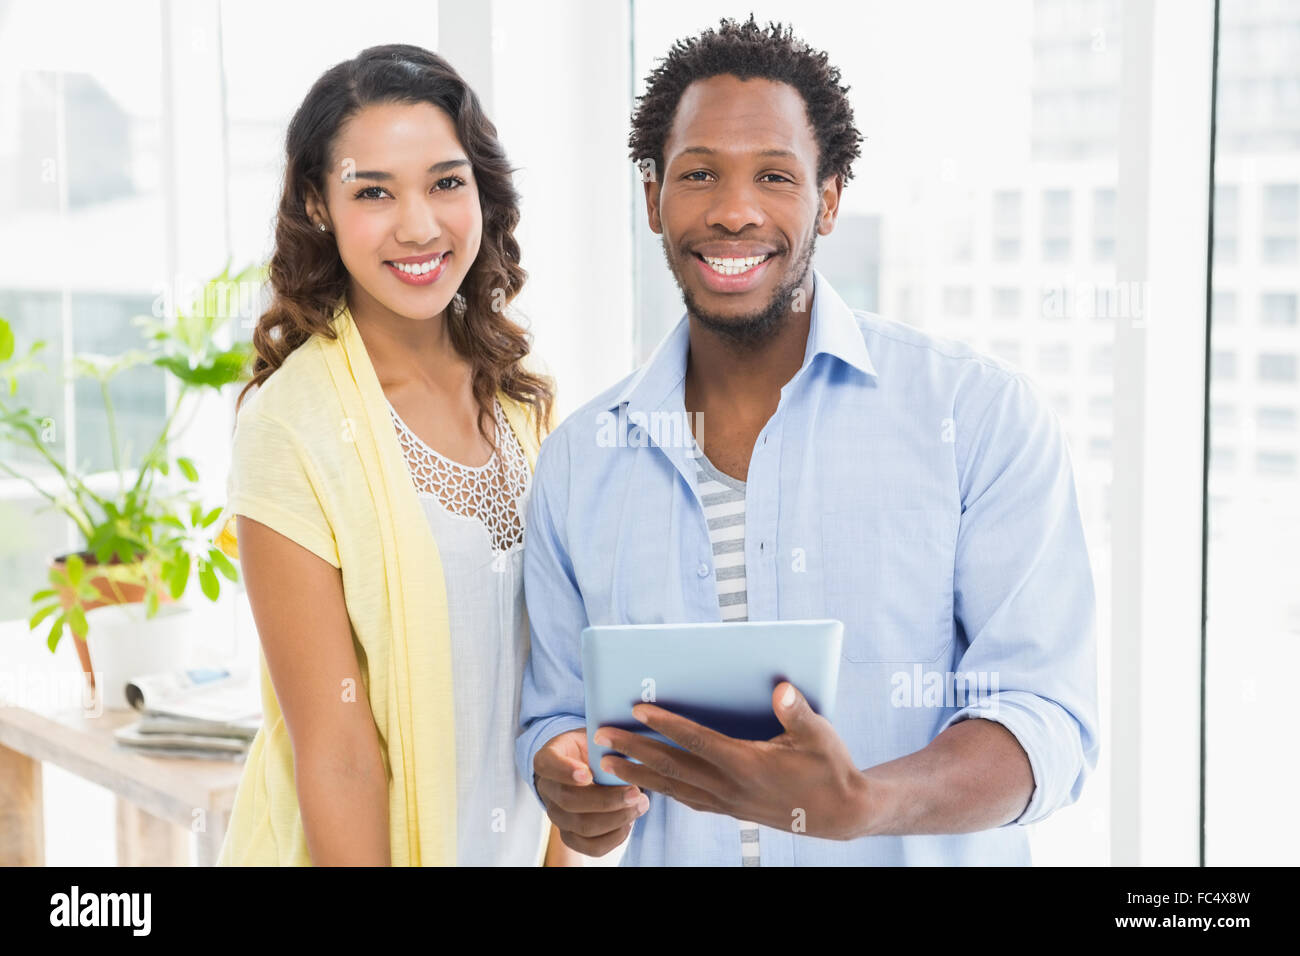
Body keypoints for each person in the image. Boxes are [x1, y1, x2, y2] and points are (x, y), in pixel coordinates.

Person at [516, 17, 1099, 866]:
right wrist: (567, 781)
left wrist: (865, 804)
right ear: (653, 199)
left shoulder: (977, 417)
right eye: (700, 174)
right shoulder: (577, 463)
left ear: (828, 198)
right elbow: (559, 716)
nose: (734, 210)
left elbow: (1045, 716)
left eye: (776, 176)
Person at [214, 44, 576, 866]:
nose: (418, 225)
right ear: (317, 205)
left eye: (446, 182)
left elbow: (561, 687)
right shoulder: (291, 428)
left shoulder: (527, 404)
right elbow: (337, 753)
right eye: (372, 192)